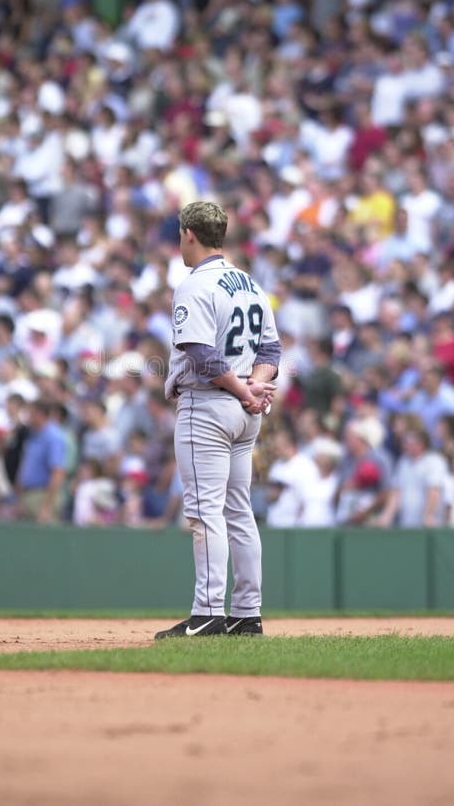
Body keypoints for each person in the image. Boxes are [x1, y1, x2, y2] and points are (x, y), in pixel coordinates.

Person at [155, 201, 280, 639]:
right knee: (238, 512)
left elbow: (201, 353)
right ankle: (247, 613)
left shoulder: (195, 284)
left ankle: (208, 612)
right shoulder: (249, 283)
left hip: (209, 405)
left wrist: (245, 389)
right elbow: (271, 352)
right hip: (245, 413)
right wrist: (255, 388)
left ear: (189, 233)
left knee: (206, 514)